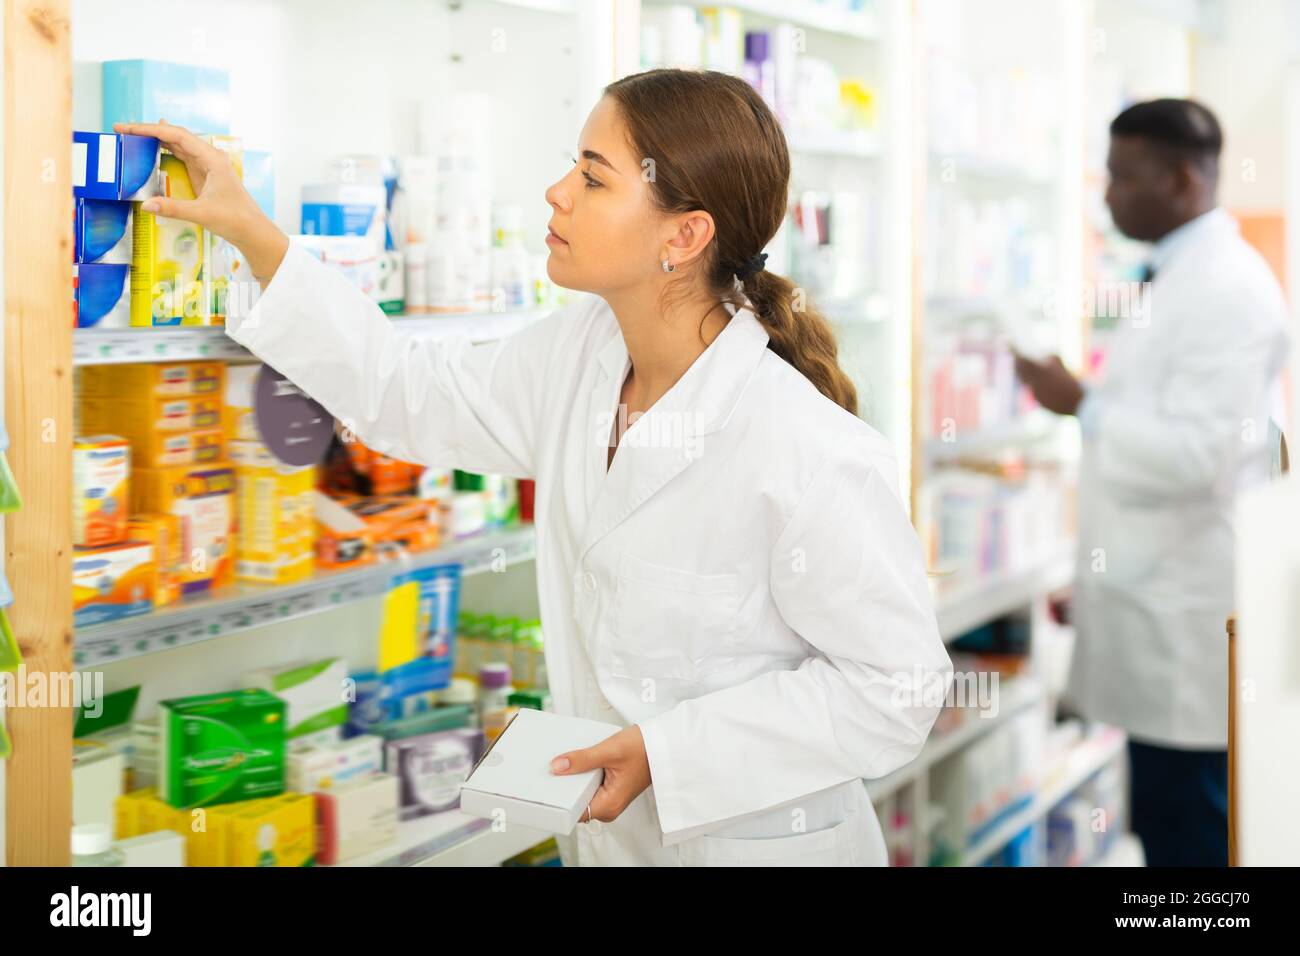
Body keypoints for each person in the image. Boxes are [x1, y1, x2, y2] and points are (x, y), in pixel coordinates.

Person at [117, 67, 952, 867]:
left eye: (593, 176)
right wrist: (251, 231)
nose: (558, 192)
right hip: (604, 840)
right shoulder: (581, 353)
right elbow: (406, 392)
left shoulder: (803, 446)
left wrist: (668, 753)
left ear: (684, 236)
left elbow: (899, 688)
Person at [1014, 98, 1290, 866]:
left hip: (1188, 632)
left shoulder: (1227, 288)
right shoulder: (1182, 274)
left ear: (1178, 181)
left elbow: (1202, 454)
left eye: (1122, 176)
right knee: (1169, 824)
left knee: (1193, 836)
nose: (1107, 194)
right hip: (1154, 599)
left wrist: (1084, 405)